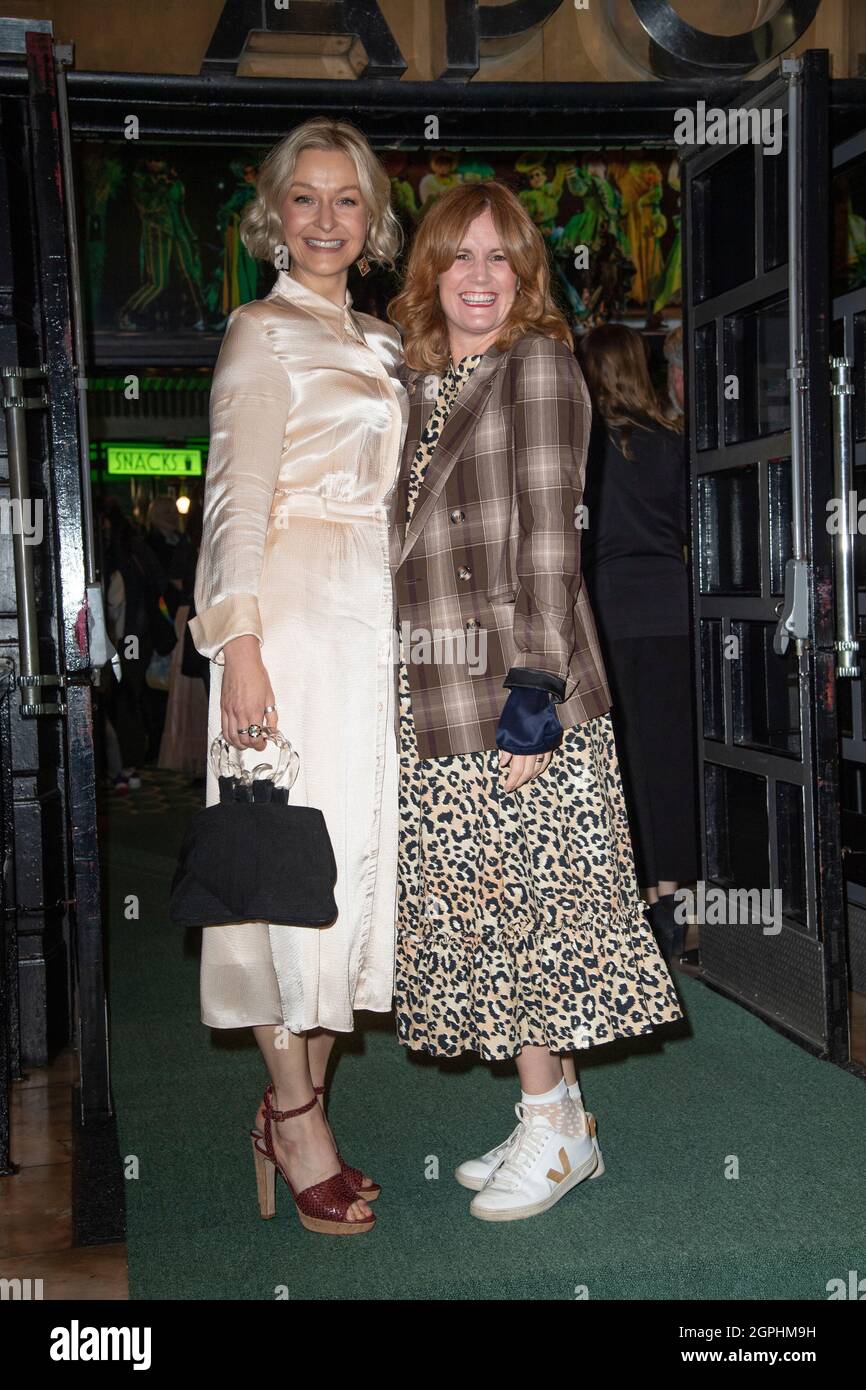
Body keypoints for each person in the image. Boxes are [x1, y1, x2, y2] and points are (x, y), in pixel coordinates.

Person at [387, 182, 682, 1224]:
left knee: (531, 923)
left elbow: (553, 534)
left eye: (498, 259)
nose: (476, 277)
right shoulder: (421, 376)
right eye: (457, 257)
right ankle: (554, 1114)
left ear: (524, 275)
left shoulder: (539, 362)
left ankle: (553, 1125)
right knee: (492, 917)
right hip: (433, 687)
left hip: (515, 691)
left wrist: (533, 692)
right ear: (426, 271)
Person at [188, 118, 405, 1236]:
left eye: (347, 201)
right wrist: (239, 646)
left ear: (369, 221)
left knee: (339, 881)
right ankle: (293, 1115)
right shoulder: (258, 331)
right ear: (276, 214)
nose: (325, 220)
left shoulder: (378, 338)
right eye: (305, 199)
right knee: (279, 870)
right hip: (292, 623)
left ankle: (300, 1105)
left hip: (373, 632)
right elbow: (232, 497)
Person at [579, 323, 698, 961]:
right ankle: (675, 903)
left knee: (620, 765)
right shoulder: (672, 444)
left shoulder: (580, 447)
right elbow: (691, 529)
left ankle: (632, 899)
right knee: (672, 761)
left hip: (605, 618)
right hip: (672, 614)